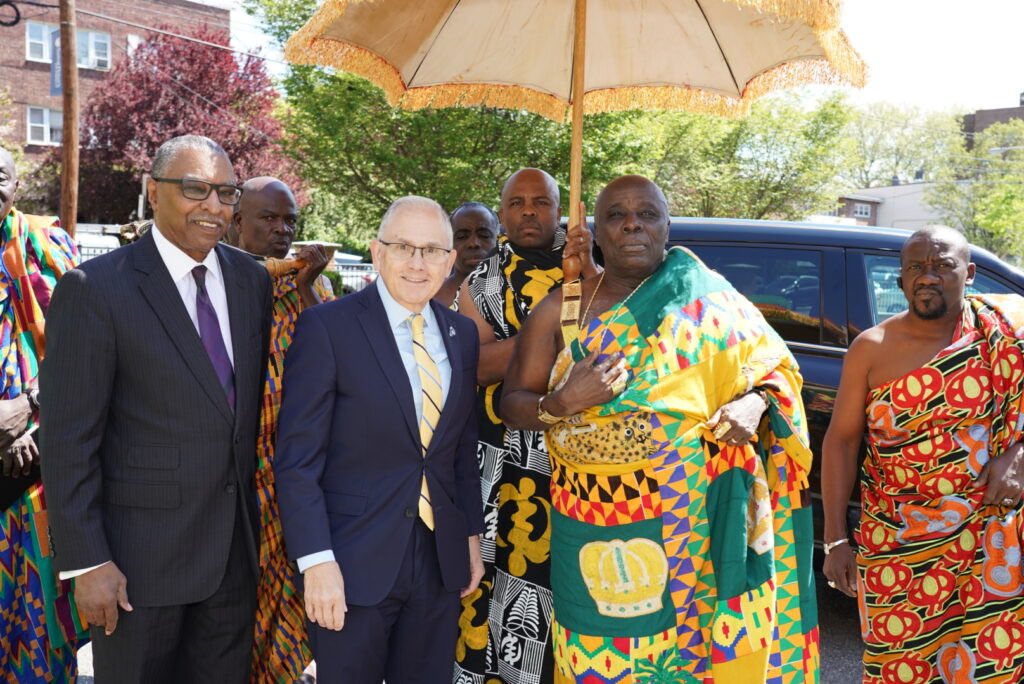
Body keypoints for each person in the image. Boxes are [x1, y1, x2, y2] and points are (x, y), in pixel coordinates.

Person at [501, 175, 819, 682]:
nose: (632, 224)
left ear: (667, 226)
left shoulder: (711, 298)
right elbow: (511, 403)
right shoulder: (563, 309)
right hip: (596, 526)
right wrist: (562, 402)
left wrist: (756, 406)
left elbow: (779, 370)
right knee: (597, 658)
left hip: (702, 518)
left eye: (646, 213)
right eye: (615, 215)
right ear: (594, 233)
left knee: (707, 659)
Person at [39, 135, 272, 684]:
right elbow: (69, 440)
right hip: (137, 569)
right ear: (153, 191)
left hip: (233, 562)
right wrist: (88, 562)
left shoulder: (250, 279)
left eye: (226, 192)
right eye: (195, 189)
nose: (213, 206)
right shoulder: (94, 288)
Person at [273, 196, 485, 684]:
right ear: (376, 251)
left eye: (432, 250)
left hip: (439, 562)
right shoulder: (327, 327)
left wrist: (470, 537)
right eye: (403, 246)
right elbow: (297, 461)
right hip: (350, 563)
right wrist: (316, 562)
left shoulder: (461, 334)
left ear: (450, 260)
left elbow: (459, 450)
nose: (417, 262)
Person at [822, 225, 1024, 682]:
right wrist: (835, 539)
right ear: (900, 279)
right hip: (895, 541)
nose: (927, 276)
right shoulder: (871, 348)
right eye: (915, 267)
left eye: (942, 265)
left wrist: (1019, 455)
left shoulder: (1006, 335)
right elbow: (842, 441)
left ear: (969, 273)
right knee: (899, 666)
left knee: (989, 666)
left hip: (986, 539)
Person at [453, 168, 596, 684]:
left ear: (562, 209)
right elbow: (472, 363)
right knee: (502, 583)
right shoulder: (482, 281)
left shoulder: (595, 270)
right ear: (503, 211)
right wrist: (551, 333)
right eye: (517, 203)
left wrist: (583, 282)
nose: (529, 211)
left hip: (583, 459)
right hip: (503, 458)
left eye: (541, 201)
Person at [230, 176, 333, 684]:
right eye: (268, 218)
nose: (281, 229)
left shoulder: (311, 283)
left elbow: (340, 354)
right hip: (230, 471)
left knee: (288, 589)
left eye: (289, 219)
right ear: (235, 222)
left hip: (293, 469)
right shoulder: (218, 281)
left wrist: (309, 285)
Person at [0, 147, 84, 683]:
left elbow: (86, 349)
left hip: (31, 476)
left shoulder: (45, 249)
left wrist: (31, 410)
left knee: (36, 637)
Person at [434, 201, 498, 309]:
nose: (473, 243)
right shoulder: (430, 296)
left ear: (498, 240)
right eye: (462, 237)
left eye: (484, 235)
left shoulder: (517, 293)